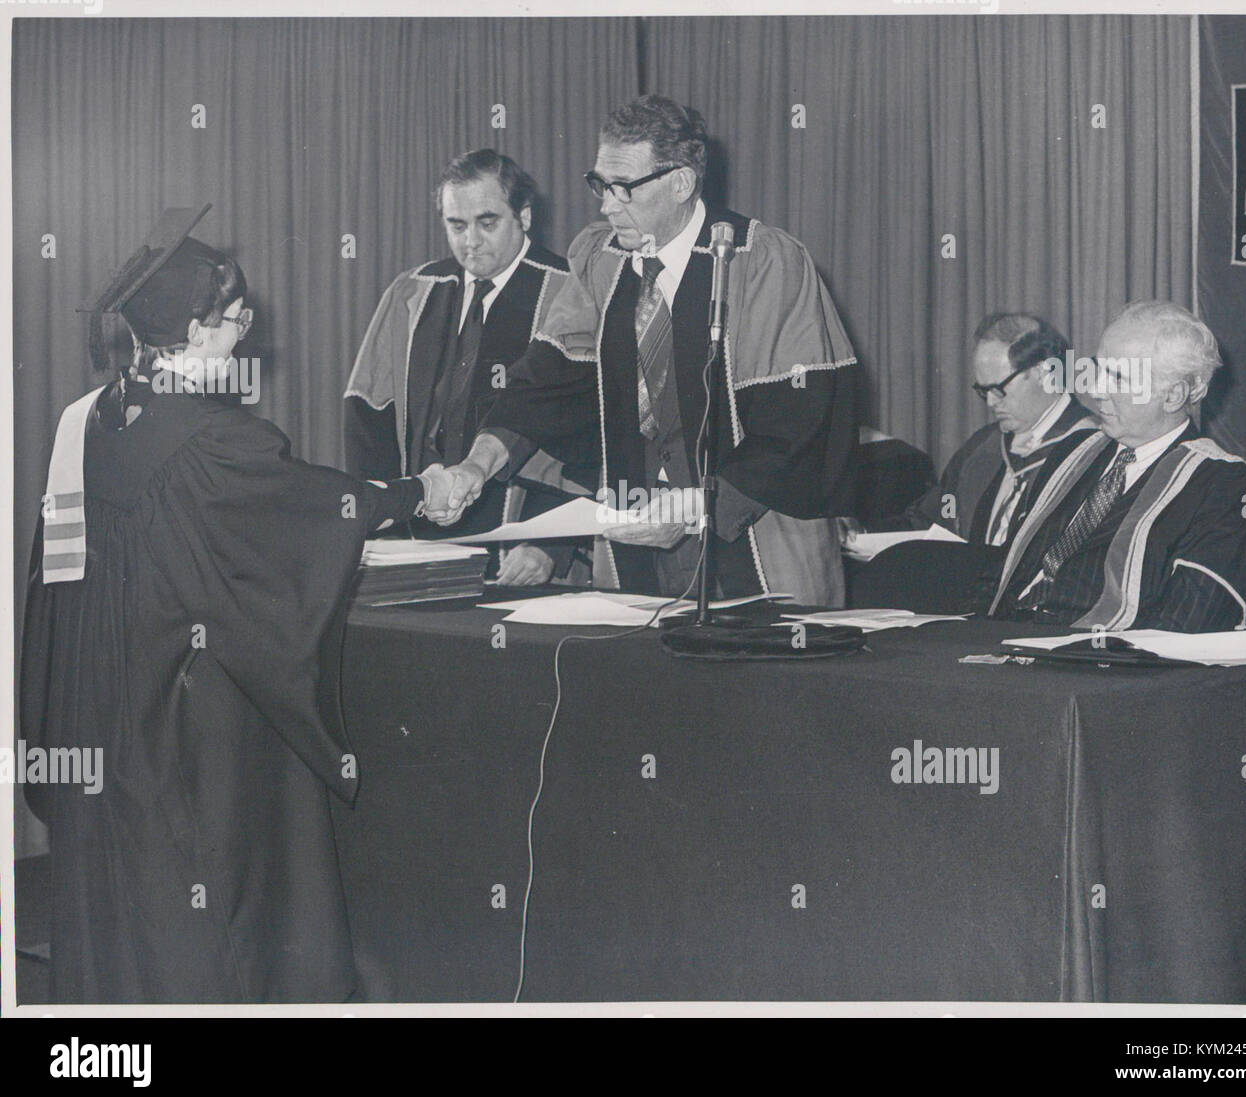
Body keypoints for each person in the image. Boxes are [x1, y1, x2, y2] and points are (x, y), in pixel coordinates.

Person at [20, 206, 455, 1003]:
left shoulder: (80, 423)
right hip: (180, 722)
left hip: (97, 718)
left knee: (125, 913)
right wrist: (418, 490)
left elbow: (54, 591)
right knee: (210, 904)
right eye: (233, 319)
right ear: (191, 329)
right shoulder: (220, 444)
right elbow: (317, 515)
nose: (244, 333)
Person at [426, 95, 861, 606]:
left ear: (680, 183)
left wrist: (697, 507)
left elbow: (802, 417)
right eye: (600, 186)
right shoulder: (600, 258)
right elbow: (545, 381)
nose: (607, 205)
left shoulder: (761, 261)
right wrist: (475, 467)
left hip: (756, 538)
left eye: (623, 189)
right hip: (634, 543)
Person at [345, 148, 579, 585]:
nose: (470, 241)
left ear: (524, 217)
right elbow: (368, 413)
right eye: (456, 225)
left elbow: (586, 432)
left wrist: (553, 543)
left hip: (519, 543)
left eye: (487, 223)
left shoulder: (568, 293)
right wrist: (379, 519)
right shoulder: (413, 293)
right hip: (415, 537)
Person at [987, 301, 1246, 632]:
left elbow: (1186, 623)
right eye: (1098, 369)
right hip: (1003, 638)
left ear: (1173, 396)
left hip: (1096, 666)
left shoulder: (1223, 489)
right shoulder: (1072, 453)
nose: (1096, 389)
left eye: (1117, 378)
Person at [894, 313, 1096, 544]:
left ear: (1044, 373)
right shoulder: (983, 447)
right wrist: (859, 532)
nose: (990, 402)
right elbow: (934, 515)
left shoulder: (1093, 451)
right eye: (983, 391)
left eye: (998, 388)